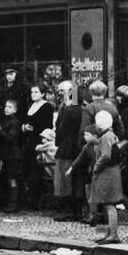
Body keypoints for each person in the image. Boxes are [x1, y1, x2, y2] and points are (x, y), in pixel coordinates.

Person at [89, 110, 126, 244]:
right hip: (113, 171)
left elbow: (105, 156)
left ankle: (113, 234)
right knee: (110, 204)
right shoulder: (112, 135)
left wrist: (96, 167)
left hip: (107, 173)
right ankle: (111, 233)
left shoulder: (105, 137)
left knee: (109, 204)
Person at [21, 85, 55, 210]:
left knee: (37, 171)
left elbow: (47, 125)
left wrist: (34, 129)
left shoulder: (46, 107)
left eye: (36, 92)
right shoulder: (31, 106)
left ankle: (38, 200)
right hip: (29, 141)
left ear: (42, 94)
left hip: (39, 142)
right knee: (29, 170)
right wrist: (24, 127)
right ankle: (31, 198)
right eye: (32, 92)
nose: (33, 94)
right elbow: (25, 120)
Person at [52, 83, 83, 222]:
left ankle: (66, 211)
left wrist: (57, 142)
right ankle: (75, 212)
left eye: (62, 91)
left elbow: (61, 130)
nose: (61, 94)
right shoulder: (80, 109)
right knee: (75, 181)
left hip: (66, 149)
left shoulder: (69, 110)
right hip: (76, 149)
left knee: (64, 182)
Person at [0, 98, 24, 213]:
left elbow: (10, 138)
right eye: (6, 106)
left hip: (13, 154)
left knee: (12, 178)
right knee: (7, 178)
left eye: (10, 107)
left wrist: (0, 131)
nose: (6, 109)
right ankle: (10, 203)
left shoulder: (14, 122)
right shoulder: (5, 121)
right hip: (6, 154)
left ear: (15, 110)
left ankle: (13, 204)